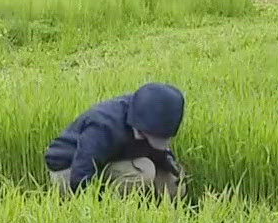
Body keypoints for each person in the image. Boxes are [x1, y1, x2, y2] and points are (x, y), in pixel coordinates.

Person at [44, 82, 185, 197]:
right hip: (69, 169)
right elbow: (83, 168)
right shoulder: (104, 125)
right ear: (140, 129)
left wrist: (170, 169)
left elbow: (159, 152)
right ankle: (111, 212)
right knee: (144, 171)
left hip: (111, 160)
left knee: (173, 181)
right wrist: (88, 208)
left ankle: (161, 214)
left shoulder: (150, 116)